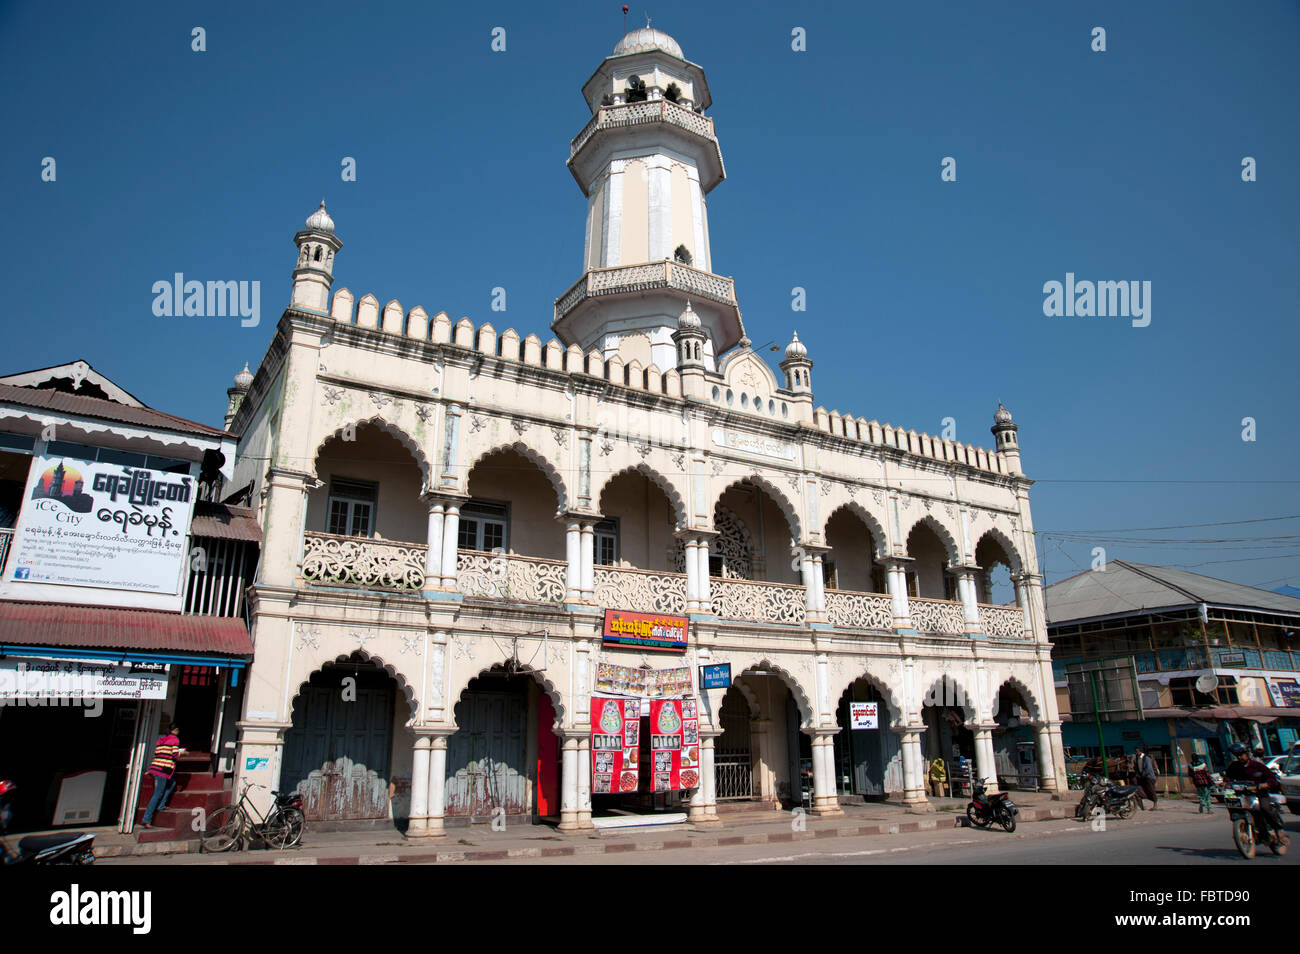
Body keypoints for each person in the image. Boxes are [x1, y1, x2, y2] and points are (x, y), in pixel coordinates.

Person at [1224, 741, 1289, 845]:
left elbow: (1272, 778)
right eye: (1237, 755)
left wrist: (1266, 784)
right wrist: (1226, 783)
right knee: (1233, 805)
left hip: (1260, 794)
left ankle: (1278, 829)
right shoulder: (1234, 766)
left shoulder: (1257, 765)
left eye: (1241, 754)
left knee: (1264, 809)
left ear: (1247, 754)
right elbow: (1228, 777)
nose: (1240, 757)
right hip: (1244, 795)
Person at [140, 720, 182, 828]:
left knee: (172, 783)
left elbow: (157, 752)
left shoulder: (161, 740)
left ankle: (161, 805)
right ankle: (147, 819)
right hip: (163, 770)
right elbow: (175, 756)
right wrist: (183, 753)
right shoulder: (174, 740)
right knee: (157, 794)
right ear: (175, 730)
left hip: (155, 767)